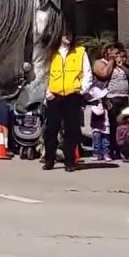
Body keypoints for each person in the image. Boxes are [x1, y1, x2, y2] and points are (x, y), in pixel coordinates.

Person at [43, 30, 91, 172]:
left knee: (72, 130)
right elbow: (45, 73)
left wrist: (81, 90)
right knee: (51, 130)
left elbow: (87, 73)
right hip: (55, 96)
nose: (68, 37)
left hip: (72, 95)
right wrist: (47, 92)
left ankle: (69, 161)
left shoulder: (80, 52)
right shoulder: (51, 52)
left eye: (70, 34)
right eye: (65, 34)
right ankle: (49, 160)